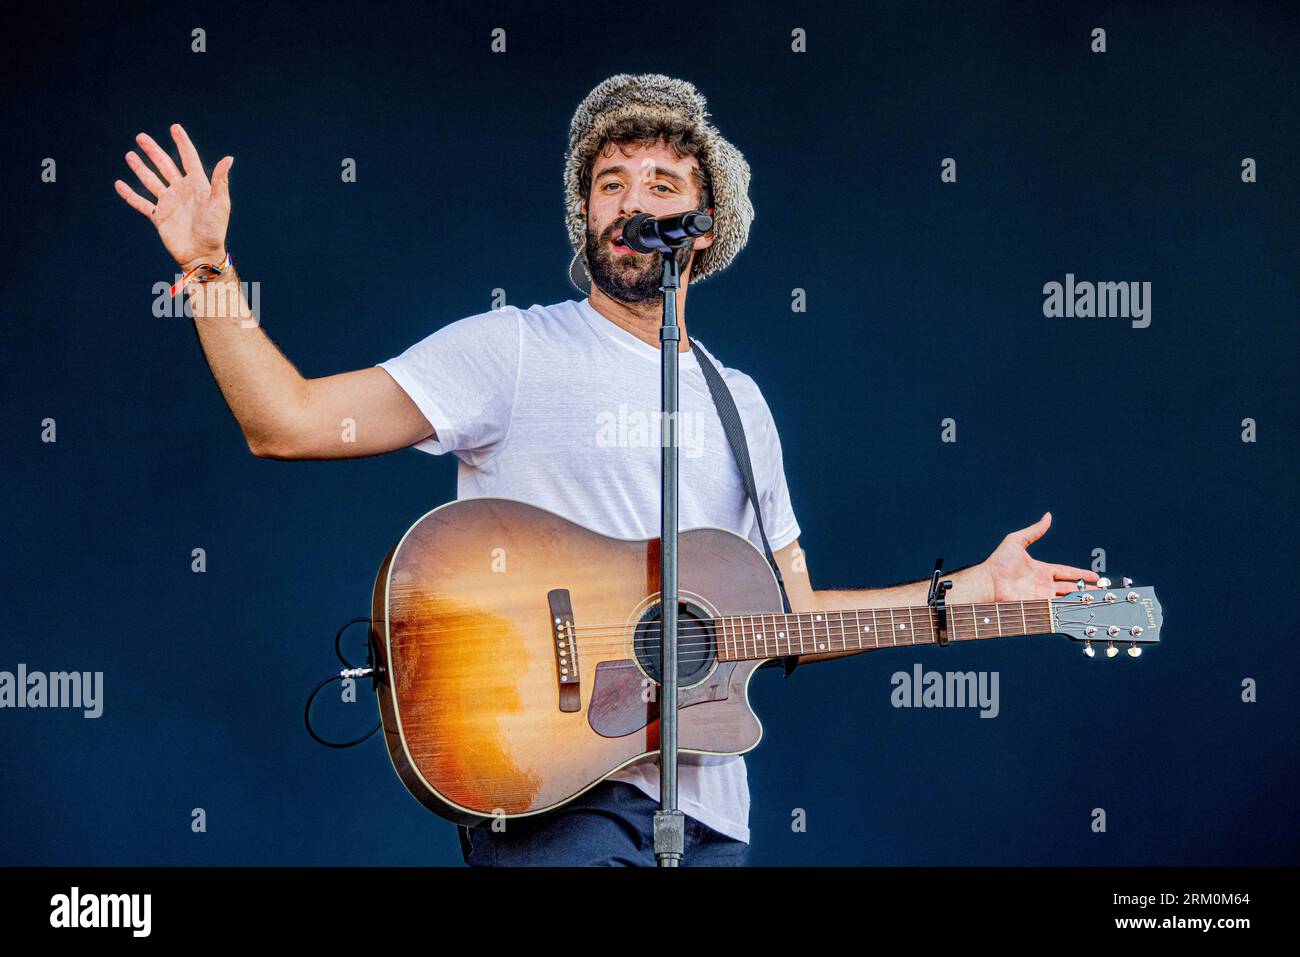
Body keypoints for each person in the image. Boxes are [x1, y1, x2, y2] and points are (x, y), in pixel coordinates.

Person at [114, 73, 1099, 866]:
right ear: (585, 218)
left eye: (662, 186)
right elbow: (285, 422)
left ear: (705, 227)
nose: (632, 201)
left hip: (711, 820)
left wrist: (964, 594)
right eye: (610, 182)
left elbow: (787, 623)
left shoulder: (738, 402)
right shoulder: (511, 350)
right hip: (549, 794)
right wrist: (208, 270)